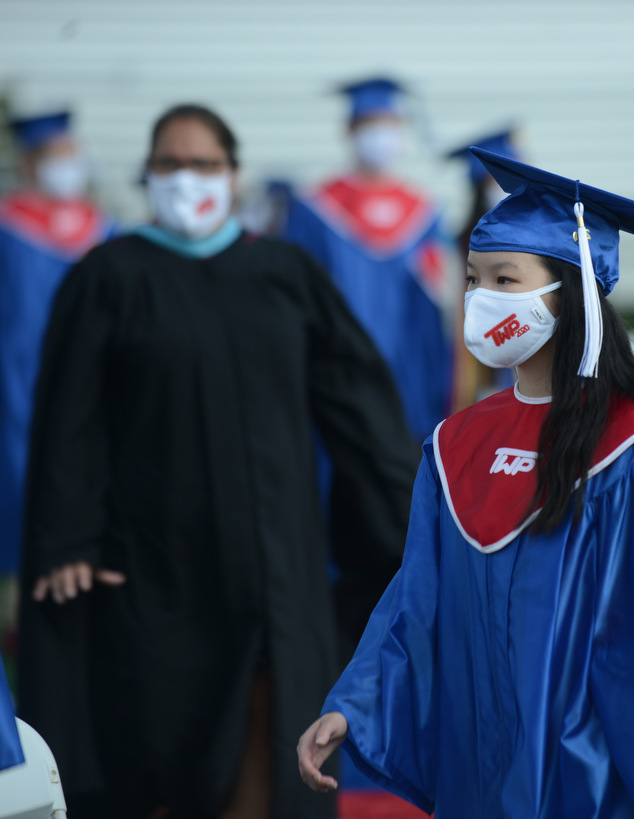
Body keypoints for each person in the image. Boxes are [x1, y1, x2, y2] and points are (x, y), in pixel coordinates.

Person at [297, 149, 634, 818]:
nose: (481, 300)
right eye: (474, 280)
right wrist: (355, 704)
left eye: (506, 278)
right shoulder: (455, 444)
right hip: (481, 771)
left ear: (573, 290)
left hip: (592, 776)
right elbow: (416, 602)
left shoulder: (632, 450)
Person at [17, 103, 418, 819]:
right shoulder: (109, 276)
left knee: (270, 756)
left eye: (204, 163)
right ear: (146, 174)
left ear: (234, 175)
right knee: (158, 755)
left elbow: (361, 408)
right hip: (154, 575)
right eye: (169, 163)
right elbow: (66, 418)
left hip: (273, 571)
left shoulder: (284, 273)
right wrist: (68, 534)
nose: (187, 179)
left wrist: (414, 524)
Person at [285, 77, 453, 442]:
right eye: (370, 125)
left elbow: (433, 301)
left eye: (390, 125)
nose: (381, 135)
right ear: (348, 130)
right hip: (335, 370)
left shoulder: (424, 212)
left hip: (407, 378)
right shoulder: (315, 208)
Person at [0, 110, 114, 583]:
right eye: (53, 156)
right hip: (15, 385)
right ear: (29, 163)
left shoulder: (106, 227)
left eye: (71, 154)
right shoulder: (8, 226)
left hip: (94, 383)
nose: (66, 166)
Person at [447, 128, 518, 411]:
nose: (506, 190)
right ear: (479, 186)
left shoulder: (532, 250)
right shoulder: (454, 251)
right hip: (468, 374)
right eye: (497, 180)